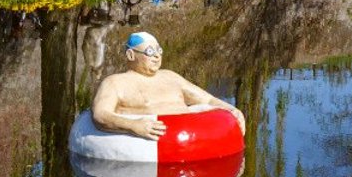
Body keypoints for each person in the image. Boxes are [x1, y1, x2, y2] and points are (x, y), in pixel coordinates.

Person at [90, 32, 246, 139]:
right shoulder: (114, 82)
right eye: (150, 51)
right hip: (144, 150)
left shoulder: (171, 77)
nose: (157, 56)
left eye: (159, 50)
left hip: (191, 141)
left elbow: (207, 100)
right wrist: (132, 125)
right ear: (131, 55)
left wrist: (232, 110)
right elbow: (101, 114)